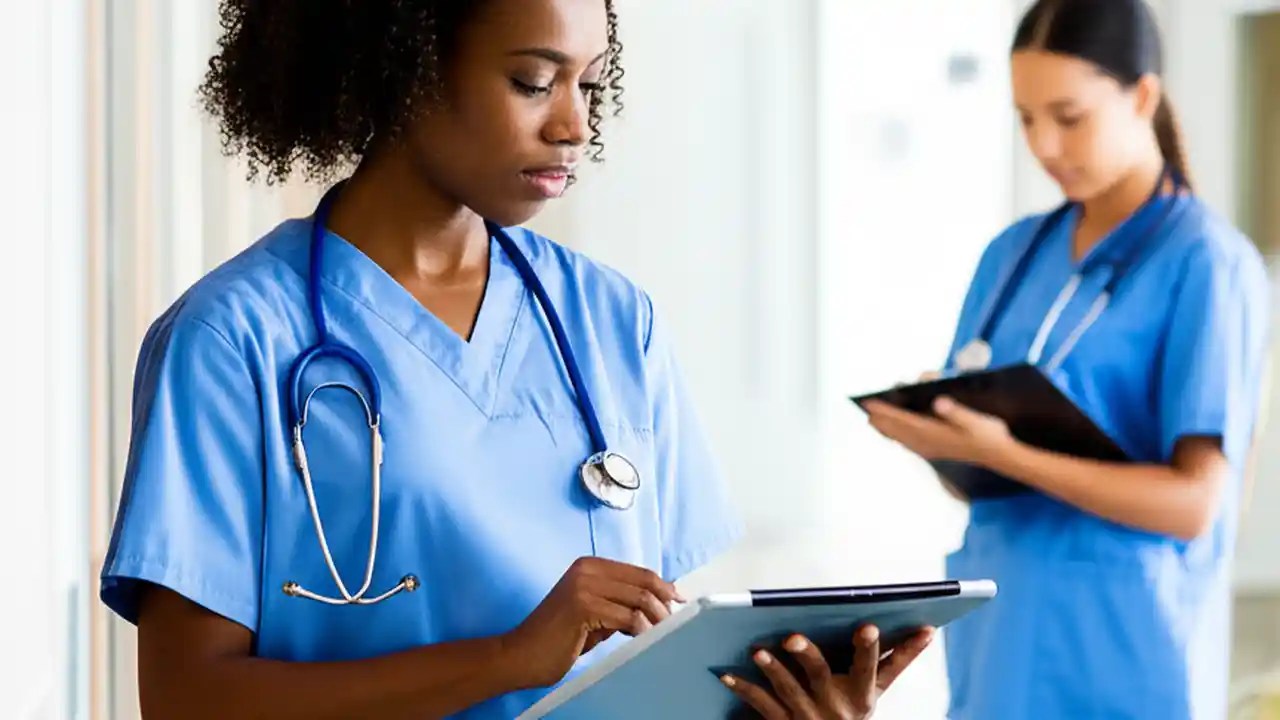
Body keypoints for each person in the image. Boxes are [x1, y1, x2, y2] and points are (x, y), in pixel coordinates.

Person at [98, 1, 932, 718]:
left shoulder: (612, 320)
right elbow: (186, 699)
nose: (574, 125)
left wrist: (784, 703)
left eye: (589, 85)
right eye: (534, 82)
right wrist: (507, 658)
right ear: (407, 65)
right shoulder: (234, 338)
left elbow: (659, 670)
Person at [863, 0, 1271, 718]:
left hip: (1129, 653)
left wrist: (1010, 454)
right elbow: (981, 485)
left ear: (1142, 95)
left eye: (1069, 116)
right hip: (1002, 649)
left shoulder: (1206, 264)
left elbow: (1193, 505)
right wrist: (940, 440)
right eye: (1025, 118)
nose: (1044, 144)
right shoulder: (1012, 256)